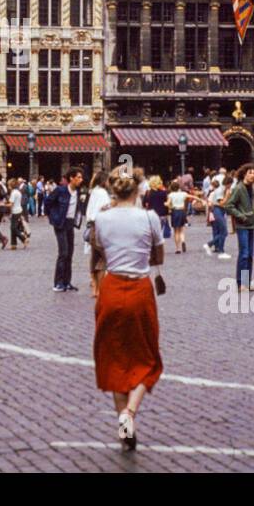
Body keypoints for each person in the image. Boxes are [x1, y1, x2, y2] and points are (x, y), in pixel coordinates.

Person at [90, 165, 163, 452]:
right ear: (138, 189)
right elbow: (159, 256)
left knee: (113, 356)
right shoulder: (149, 218)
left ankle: (123, 420)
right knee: (147, 356)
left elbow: (101, 251)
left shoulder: (102, 219)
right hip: (139, 291)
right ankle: (129, 412)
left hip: (111, 289)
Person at [222, 164, 254, 292]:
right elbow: (229, 205)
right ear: (244, 174)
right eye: (250, 173)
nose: (253, 175)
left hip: (251, 225)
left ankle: (247, 282)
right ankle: (241, 284)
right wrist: (241, 216)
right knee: (244, 254)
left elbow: (252, 203)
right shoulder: (239, 188)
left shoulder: (252, 188)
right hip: (242, 225)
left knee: (250, 255)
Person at [47, 168, 85, 293]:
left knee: (70, 253)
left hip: (70, 223)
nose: (81, 180)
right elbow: (48, 202)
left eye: (81, 177)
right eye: (78, 177)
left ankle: (67, 282)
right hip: (60, 223)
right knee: (63, 252)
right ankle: (58, 283)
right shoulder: (60, 190)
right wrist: (54, 217)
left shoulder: (78, 192)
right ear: (71, 178)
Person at [84, 171, 112, 296]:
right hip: (101, 227)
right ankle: (101, 288)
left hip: (92, 226)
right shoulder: (102, 193)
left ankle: (95, 288)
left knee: (95, 258)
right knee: (105, 258)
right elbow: (105, 209)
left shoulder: (93, 191)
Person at [204, 175, 230, 259]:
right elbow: (222, 203)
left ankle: (220, 249)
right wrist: (227, 196)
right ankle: (210, 245)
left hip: (220, 211)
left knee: (223, 231)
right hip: (217, 210)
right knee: (224, 231)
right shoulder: (220, 191)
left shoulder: (222, 190)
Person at [168, 180, 190, 251]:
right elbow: (192, 196)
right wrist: (200, 200)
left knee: (176, 231)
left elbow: (168, 204)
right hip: (182, 211)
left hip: (175, 211)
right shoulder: (183, 193)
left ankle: (178, 248)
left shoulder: (170, 195)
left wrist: (169, 207)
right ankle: (183, 241)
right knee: (182, 229)